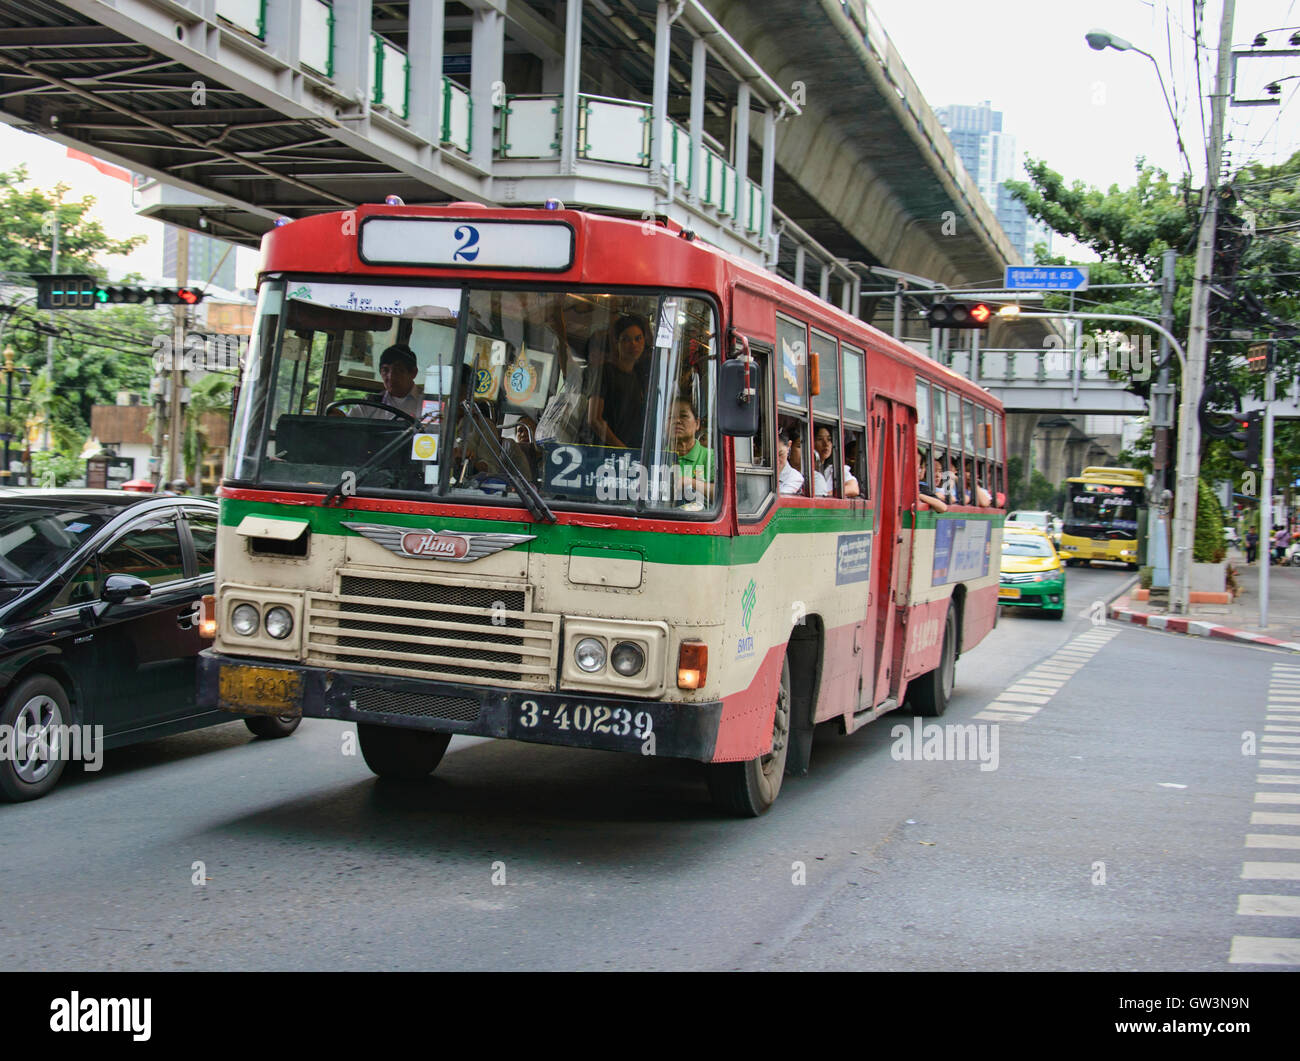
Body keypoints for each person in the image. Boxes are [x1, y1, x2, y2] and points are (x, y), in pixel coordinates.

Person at [587, 315, 649, 448]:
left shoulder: (639, 377)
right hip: (604, 454)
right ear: (617, 343)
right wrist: (622, 450)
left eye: (638, 338)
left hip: (631, 454)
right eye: (626, 339)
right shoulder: (605, 372)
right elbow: (594, 419)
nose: (633, 344)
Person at [349, 344, 423, 419]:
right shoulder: (372, 403)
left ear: (413, 373)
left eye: (397, 370)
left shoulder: (427, 403)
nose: (391, 377)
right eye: (385, 370)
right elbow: (346, 423)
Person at [668, 395, 714, 503]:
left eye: (683, 416)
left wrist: (689, 482)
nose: (677, 421)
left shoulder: (710, 457)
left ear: (697, 424)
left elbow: (723, 493)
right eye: (671, 417)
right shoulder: (658, 456)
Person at [811, 425, 860, 498]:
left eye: (829, 439)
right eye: (820, 439)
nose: (826, 444)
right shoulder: (805, 470)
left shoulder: (834, 470)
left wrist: (827, 494)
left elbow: (853, 488)